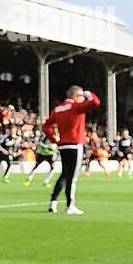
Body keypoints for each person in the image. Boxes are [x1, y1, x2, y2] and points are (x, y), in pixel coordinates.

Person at [42, 85, 99, 214]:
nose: (82, 99)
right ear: (74, 96)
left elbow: (46, 126)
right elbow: (95, 102)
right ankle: (70, 205)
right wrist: (88, 93)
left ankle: (53, 201)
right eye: (81, 96)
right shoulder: (76, 107)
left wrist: (54, 139)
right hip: (75, 144)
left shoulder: (58, 109)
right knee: (72, 177)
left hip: (63, 145)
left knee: (64, 174)